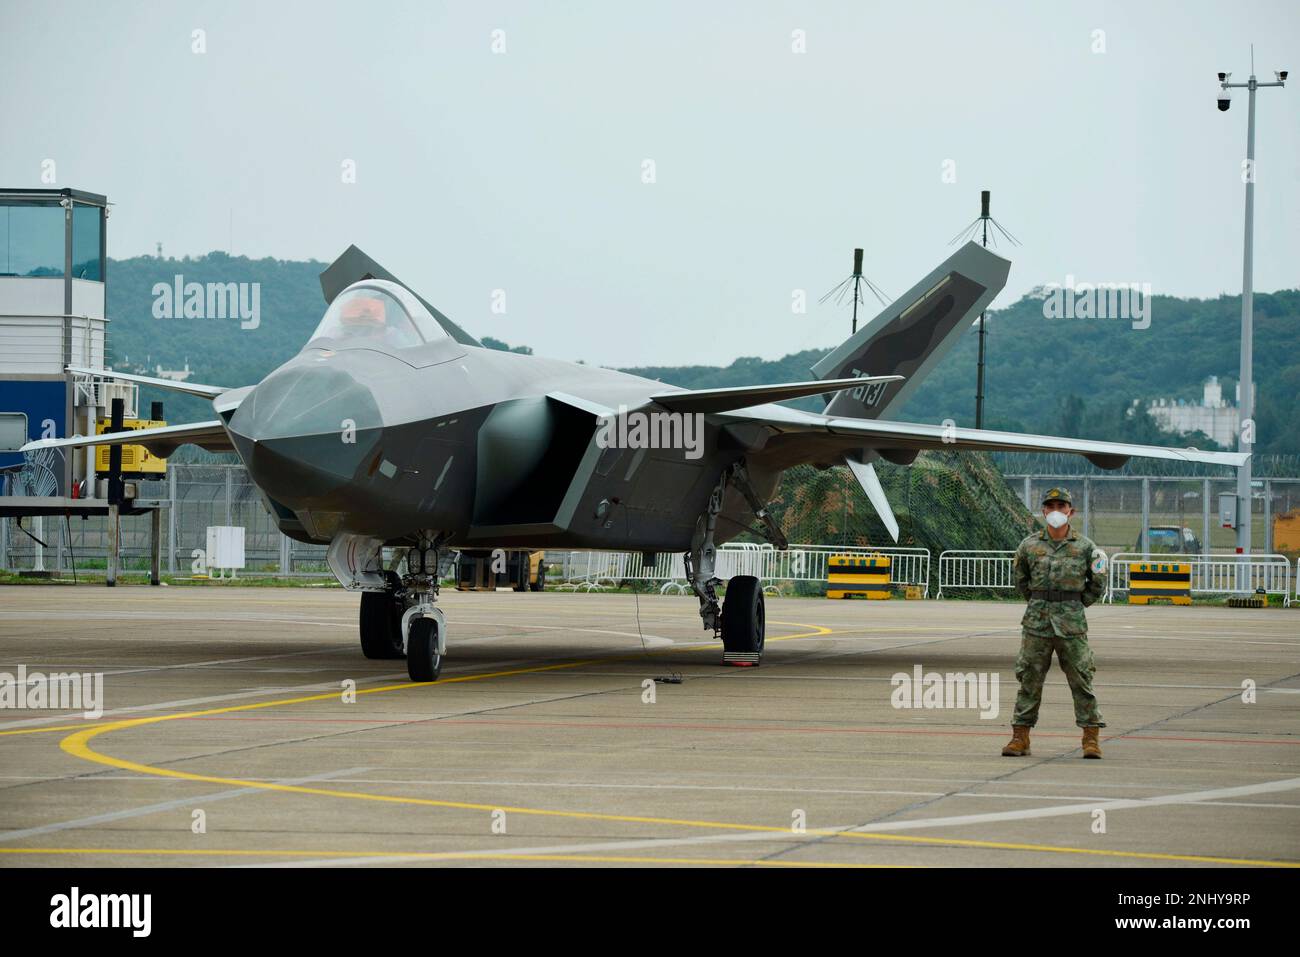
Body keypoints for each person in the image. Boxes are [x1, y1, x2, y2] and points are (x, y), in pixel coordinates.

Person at [1002, 487, 1107, 759]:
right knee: (1029, 678)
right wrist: (1041, 602)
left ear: (1071, 511)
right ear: (1044, 511)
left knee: (1082, 678)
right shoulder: (1029, 546)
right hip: (1037, 622)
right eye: (1051, 506)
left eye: (1062, 506)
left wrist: (1074, 604)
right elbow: (1021, 581)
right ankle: (1020, 737)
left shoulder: (1086, 547)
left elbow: (1098, 584)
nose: (1056, 511)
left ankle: (1091, 738)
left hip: (1071, 624)